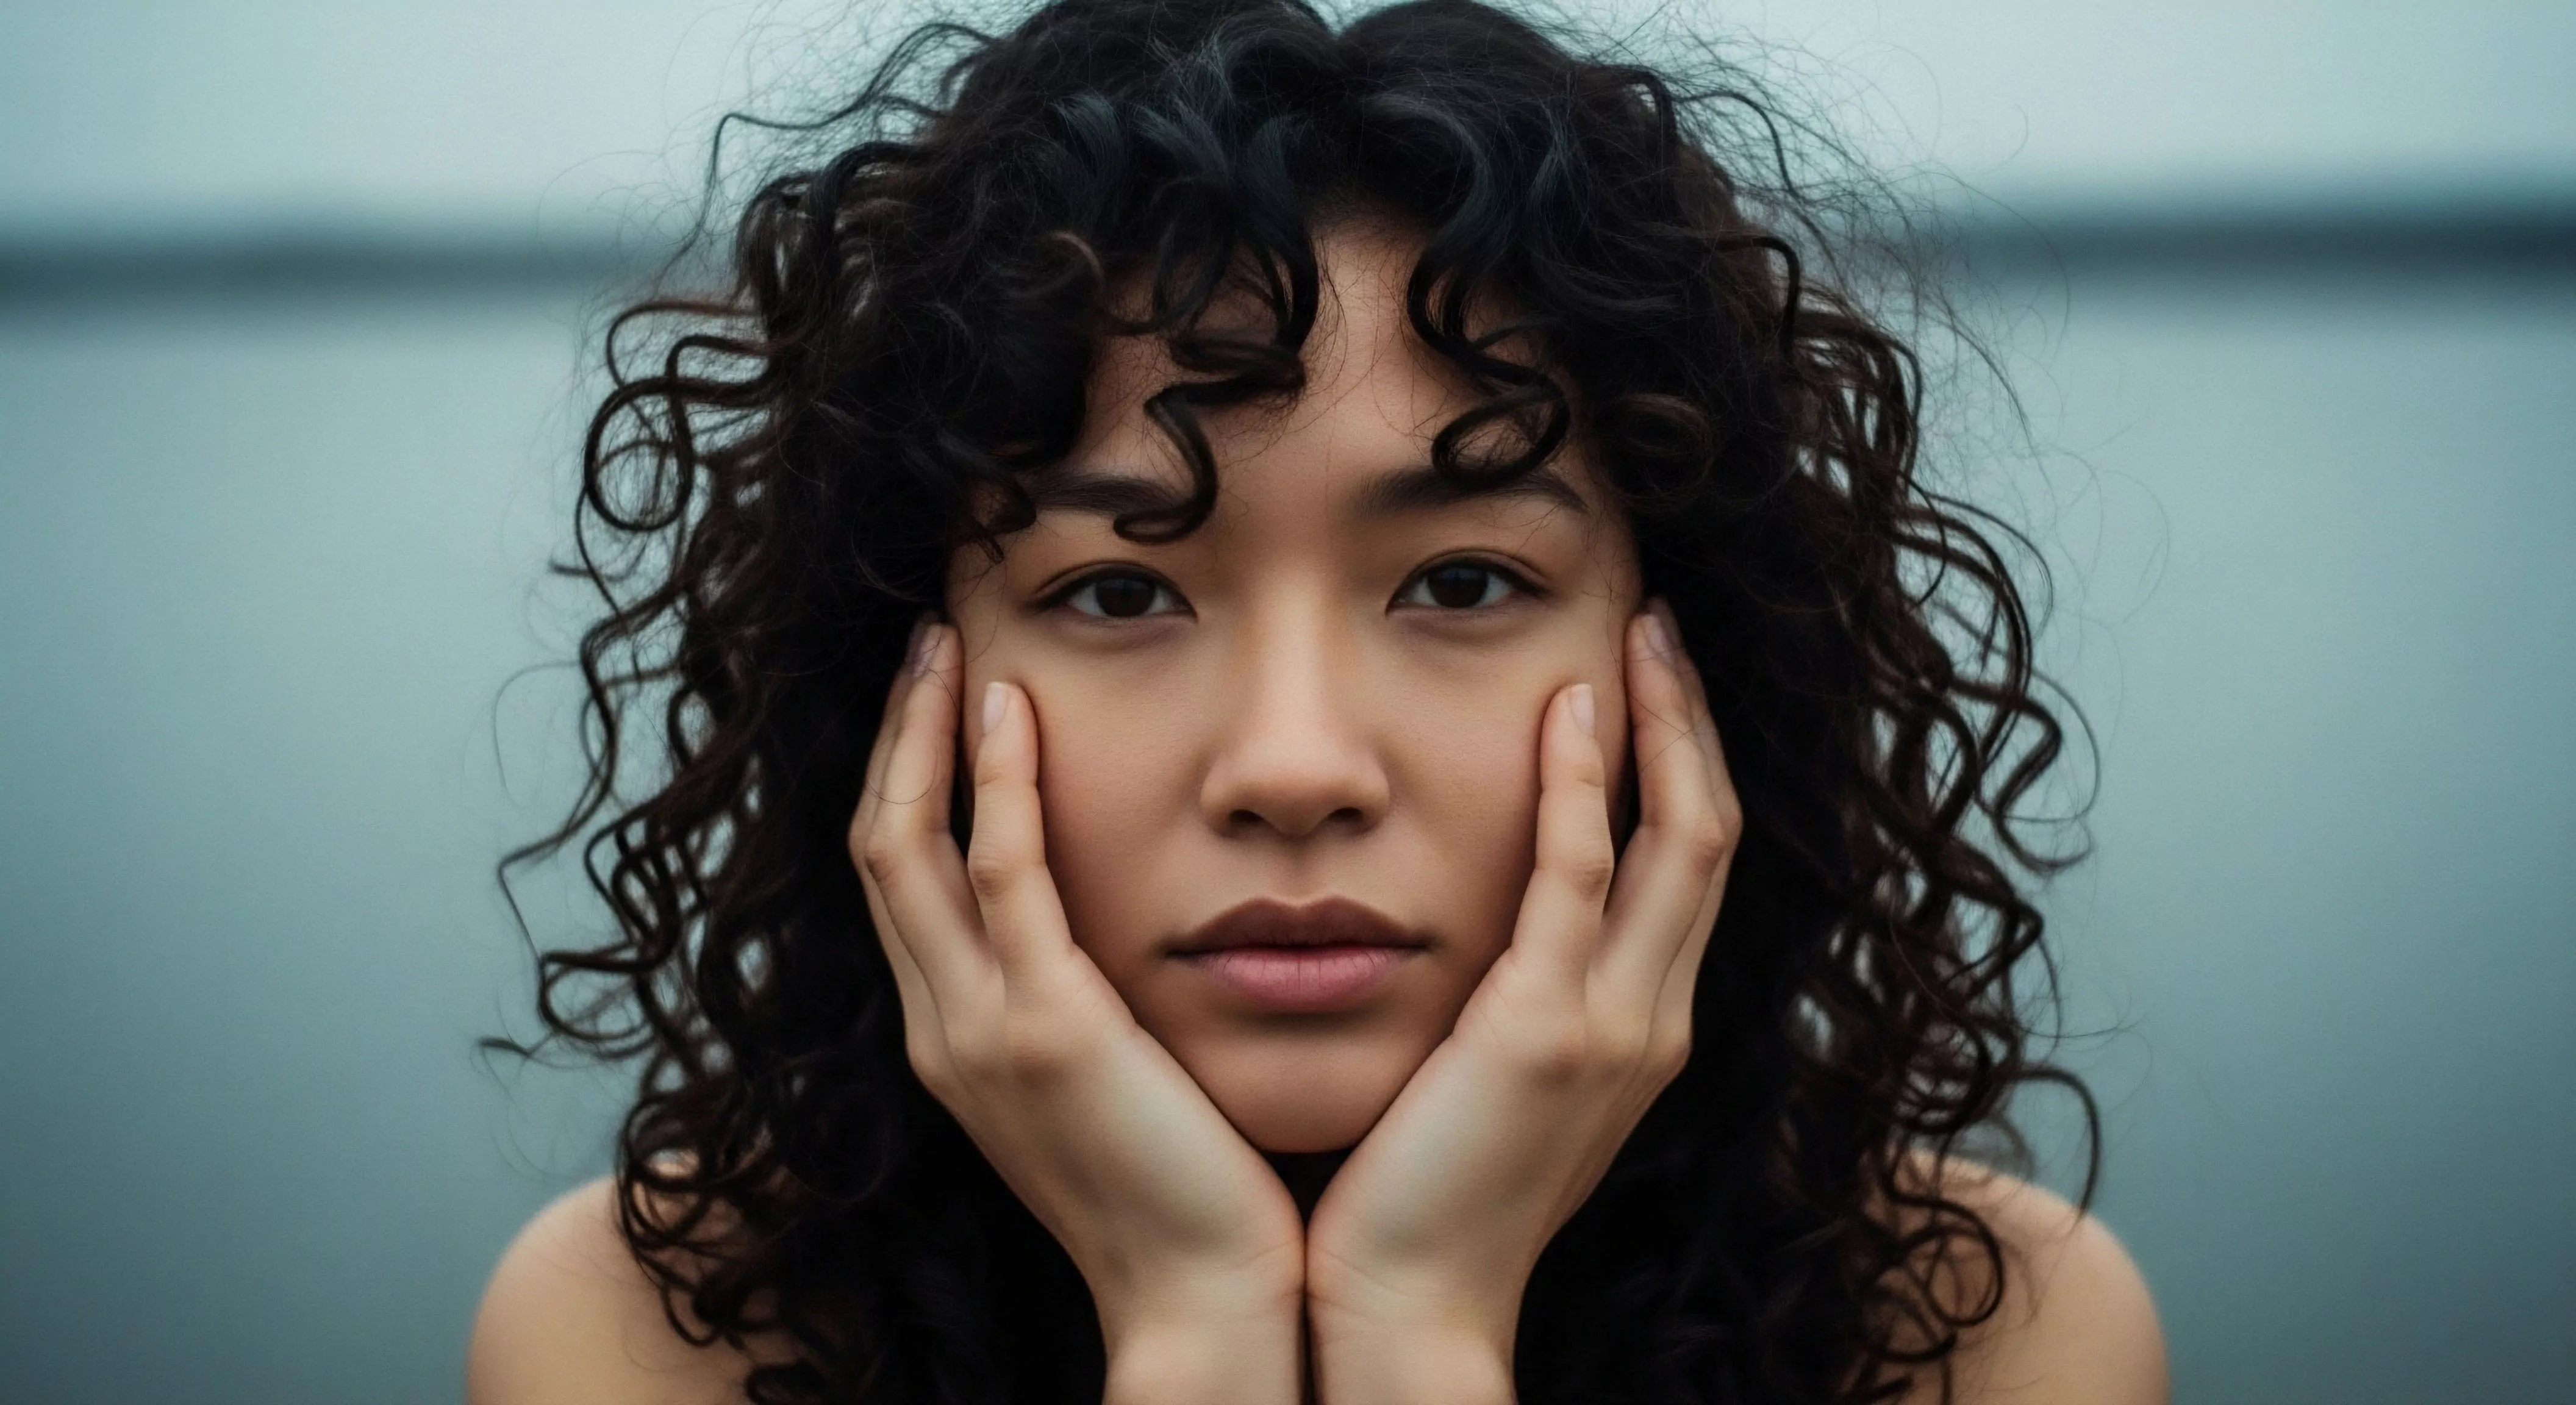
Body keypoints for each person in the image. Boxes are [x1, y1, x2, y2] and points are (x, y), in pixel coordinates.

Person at [468, 1, 2167, 1401]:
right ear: (902, 692)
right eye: (1119, 591)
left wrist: (1415, 1323)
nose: (1294, 770)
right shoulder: (644, 1338)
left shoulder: (1987, 1338)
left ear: (1694, 663)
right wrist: (1195, 1319)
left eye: (1463, 584)